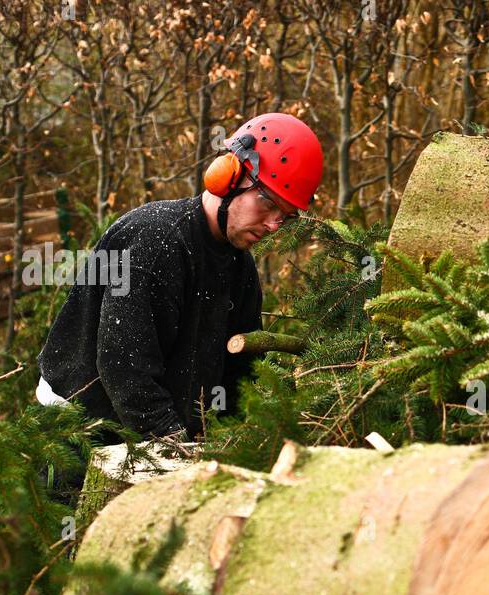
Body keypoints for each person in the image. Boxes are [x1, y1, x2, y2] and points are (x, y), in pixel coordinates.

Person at [35, 113, 324, 449]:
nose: (274, 225)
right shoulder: (155, 240)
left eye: (285, 216)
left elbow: (237, 374)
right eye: (268, 203)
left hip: (148, 433)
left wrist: (228, 441)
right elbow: (125, 366)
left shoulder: (240, 268)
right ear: (229, 177)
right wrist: (176, 448)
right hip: (80, 428)